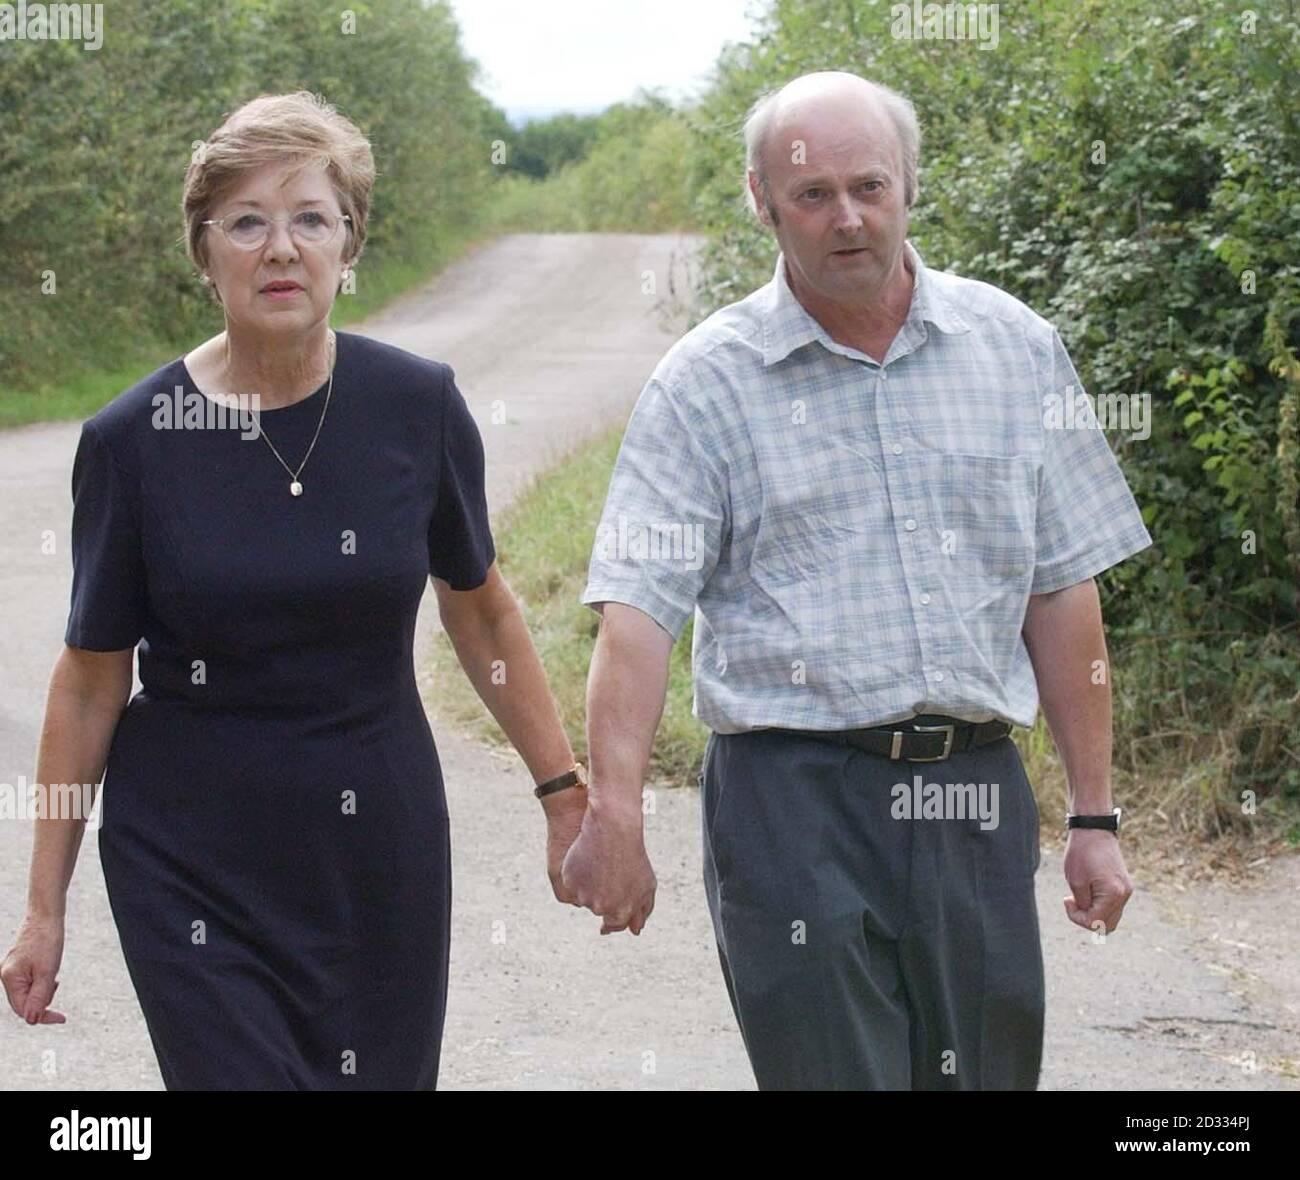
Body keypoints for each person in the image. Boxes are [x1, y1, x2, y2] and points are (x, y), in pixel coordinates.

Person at [567, 71, 1153, 1090]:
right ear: (760, 201)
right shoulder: (705, 383)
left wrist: (1093, 817)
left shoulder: (1013, 350)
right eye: (811, 194)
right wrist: (614, 813)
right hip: (793, 803)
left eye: (868, 187)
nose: (846, 217)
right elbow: (638, 614)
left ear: (908, 189)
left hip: (974, 791)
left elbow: (1060, 594)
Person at [0, 91, 589, 1090]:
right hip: (189, 855)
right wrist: (43, 904)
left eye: (312, 219)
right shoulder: (130, 441)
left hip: (375, 845)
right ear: (204, 252)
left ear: (349, 246)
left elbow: (480, 603)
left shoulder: (417, 406)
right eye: (247, 222)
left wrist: (563, 792)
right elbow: (90, 679)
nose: (282, 248)